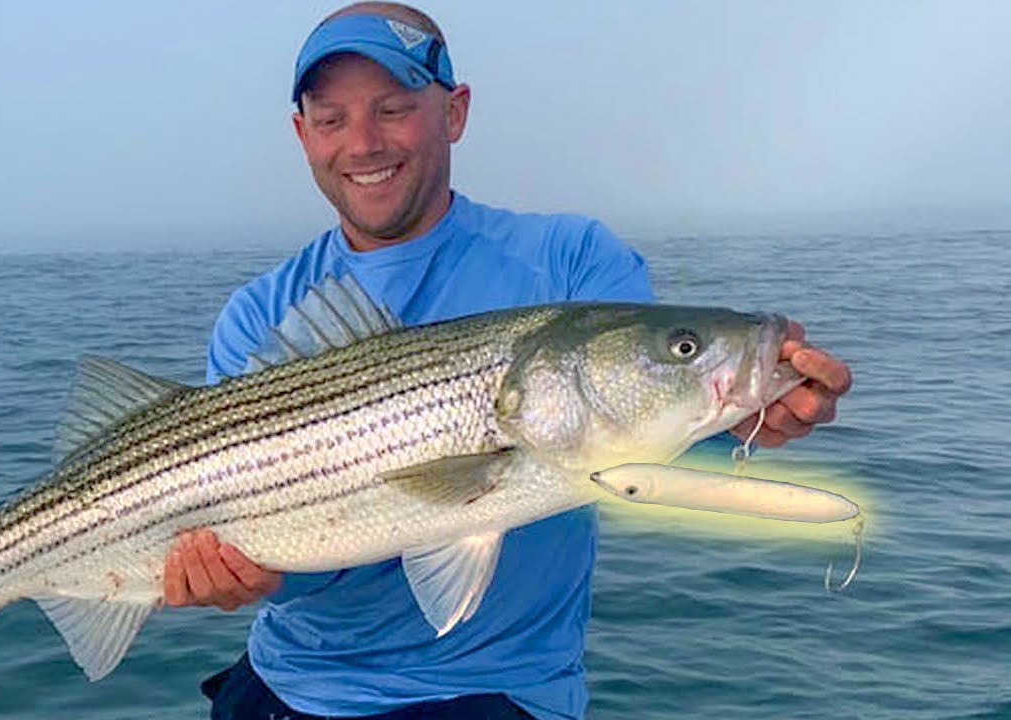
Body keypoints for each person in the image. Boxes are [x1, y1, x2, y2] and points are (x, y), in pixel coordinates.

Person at [162, 4, 853, 719]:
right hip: (286, 685)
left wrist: (747, 417)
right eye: (331, 120)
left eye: (393, 109)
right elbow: (291, 553)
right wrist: (244, 575)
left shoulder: (571, 261)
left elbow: (642, 433)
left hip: (495, 693)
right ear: (302, 135)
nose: (362, 144)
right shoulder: (258, 314)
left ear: (453, 112)